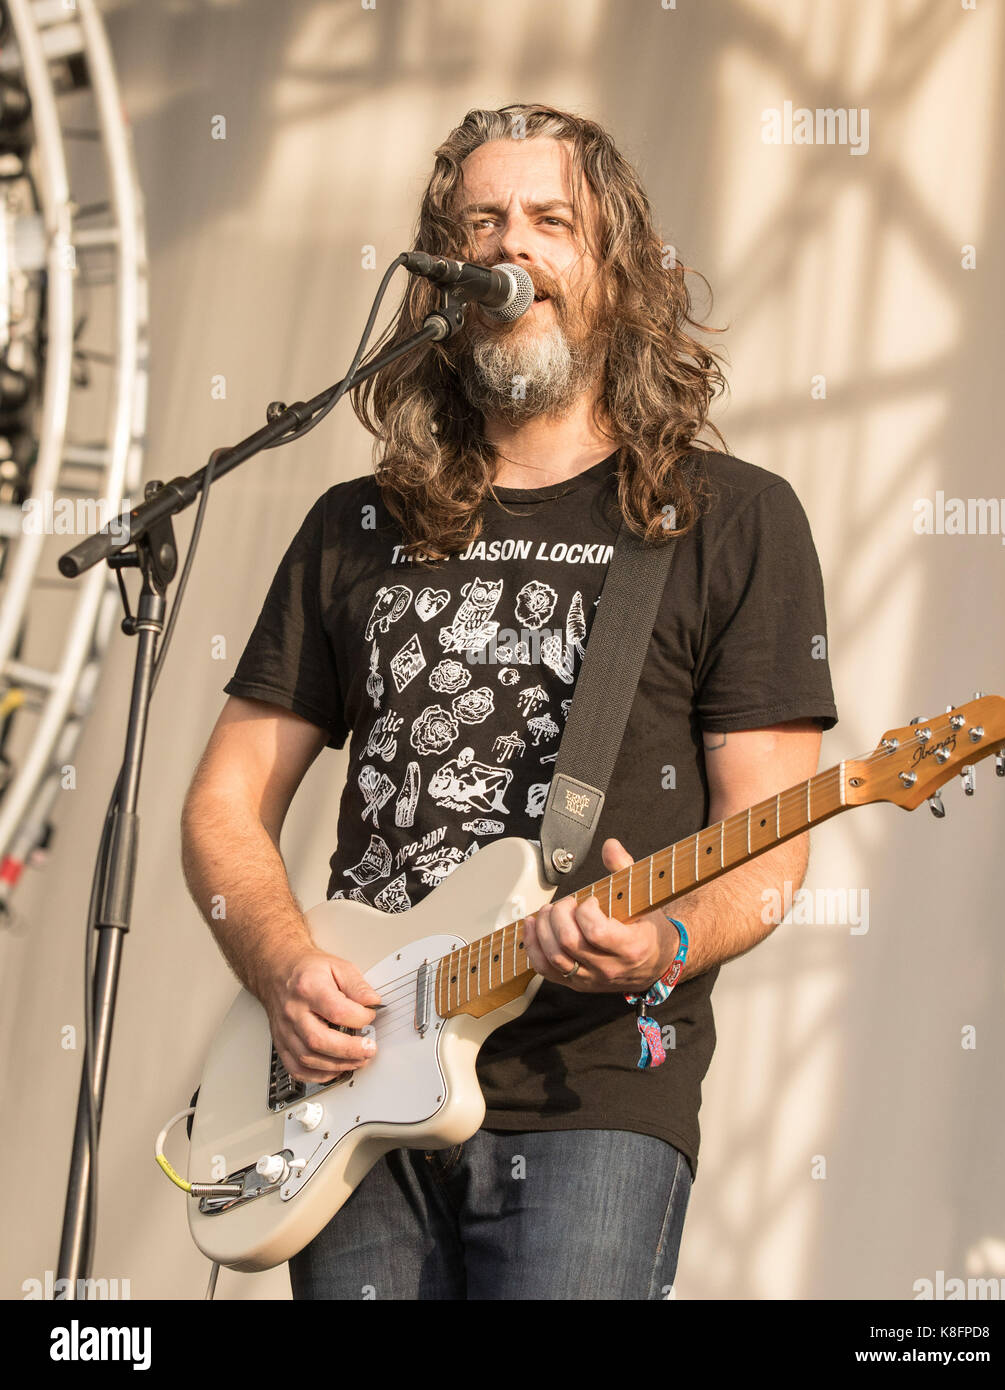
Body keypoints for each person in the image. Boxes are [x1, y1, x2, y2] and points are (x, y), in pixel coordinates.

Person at [180, 103, 837, 1300]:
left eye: (550, 221)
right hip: (351, 1083)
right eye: (481, 222)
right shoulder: (356, 524)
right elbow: (225, 802)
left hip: (589, 1097)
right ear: (443, 269)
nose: (511, 249)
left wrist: (664, 938)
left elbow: (771, 840)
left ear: (616, 269)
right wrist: (281, 966)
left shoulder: (727, 519)